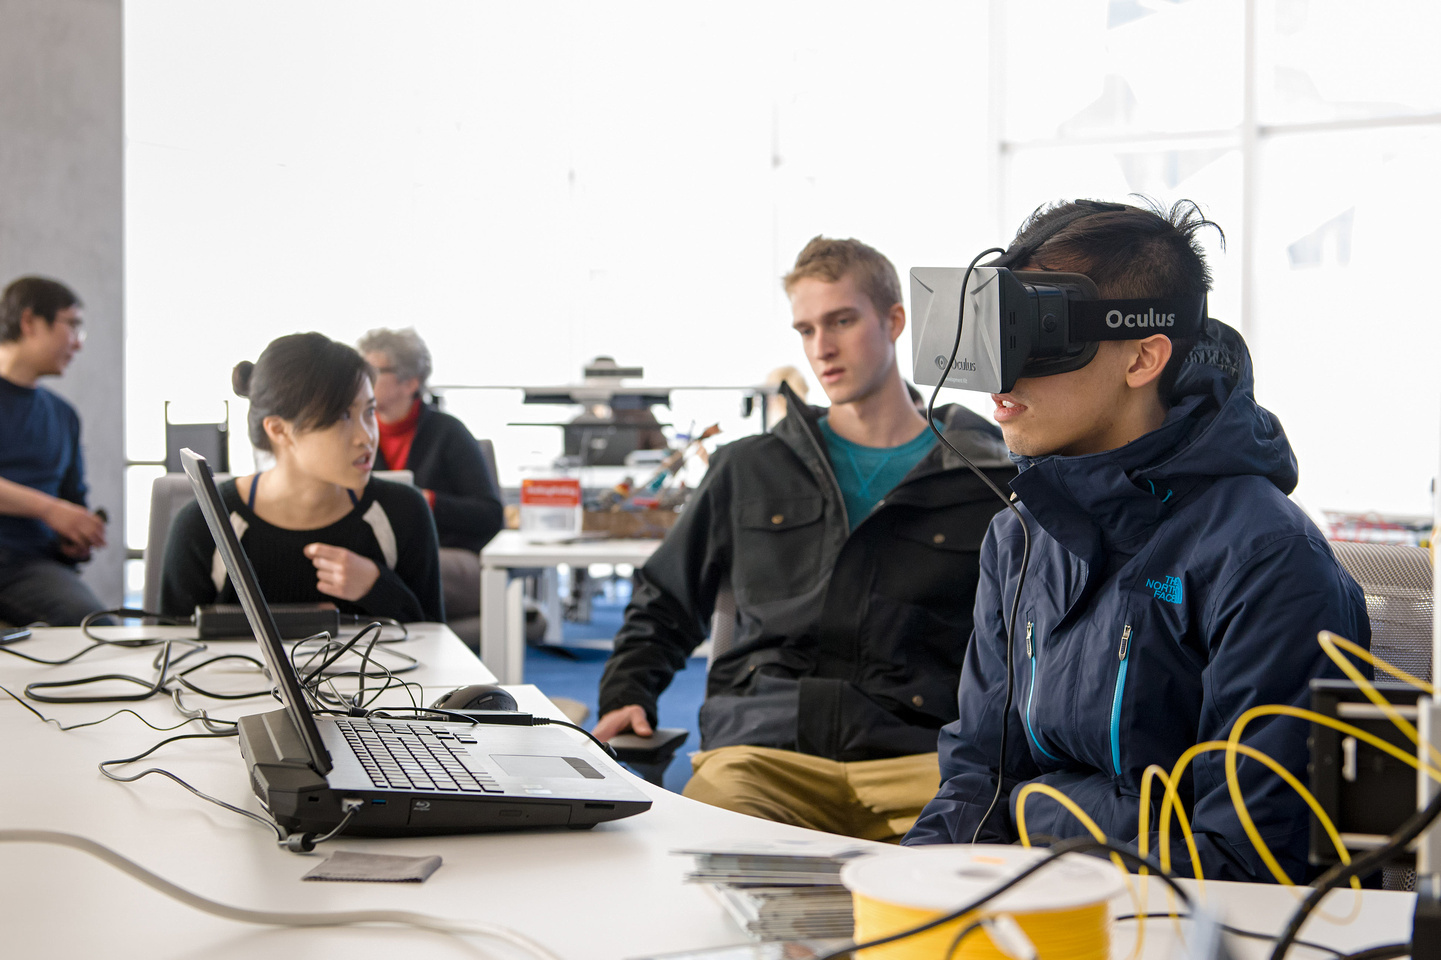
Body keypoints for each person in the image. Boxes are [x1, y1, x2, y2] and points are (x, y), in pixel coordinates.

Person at [903, 200, 1370, 883]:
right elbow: (978, 784)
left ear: (1143, 356)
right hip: (1042, 910)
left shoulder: (1265, 555)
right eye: (993, 331)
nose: (1000, 380)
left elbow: (1245, 856)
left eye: (1037, 332)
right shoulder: (1018, 538)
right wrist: (907, 895)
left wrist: (1038, 808)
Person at [594, 236, 1014, 841]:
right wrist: (629, 690)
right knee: (717, 868)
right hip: (764, 752)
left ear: (894, 321)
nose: (823, 348)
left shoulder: (982, 476)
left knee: (958, 894)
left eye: (842, 321)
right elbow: (665, 598)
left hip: (924, 759)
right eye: (807, 330)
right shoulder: (750, 467)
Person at [160, 333, 444, 623]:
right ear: (279, 430)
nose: (367, 436)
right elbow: (171, 650)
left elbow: (438, 647)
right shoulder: (205, 524)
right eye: (343, 416)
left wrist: (377, 586)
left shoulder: (403, 513)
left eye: (369, 411)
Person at [0, 276, 109, 626]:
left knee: (95, 629)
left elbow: (72, 500)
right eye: (72, 326)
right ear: (29, 322)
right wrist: (49, 510)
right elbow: (56, 507)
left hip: (30, 565)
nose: (77, 344)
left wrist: (74, 535)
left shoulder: (63, 415)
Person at [356, 328, 503, 553]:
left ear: (410, 383)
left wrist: (428, 502)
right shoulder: (356, 432)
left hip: (443, 549)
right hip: (379, 548)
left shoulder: (448, 432)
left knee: (402, 569)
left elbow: (490, 515)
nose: (363, 378)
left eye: (373, 371)